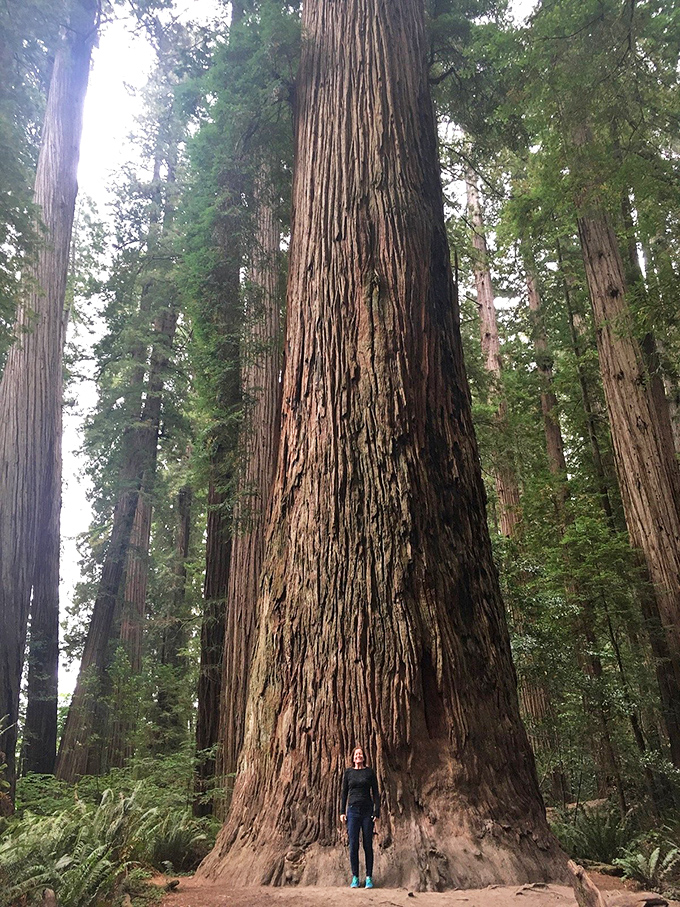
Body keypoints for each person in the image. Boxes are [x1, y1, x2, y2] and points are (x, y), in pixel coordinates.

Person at [340, 745, 380, 889]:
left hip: (367, 811)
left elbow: (376, 793)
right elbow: (344, 793)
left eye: (360, 754)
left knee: (367, 844)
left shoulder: (369, 772)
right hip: (352, 811)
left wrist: (377, 812)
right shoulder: (348, 773)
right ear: (353, 757)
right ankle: (355, 877)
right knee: (353, 845)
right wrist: (342, 812)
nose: (358, 756)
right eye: (356, 754)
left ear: (364, 757)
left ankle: (369, 877)